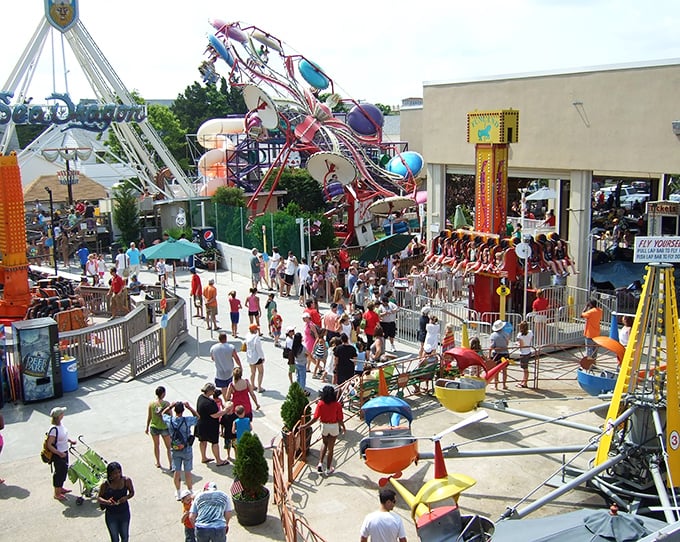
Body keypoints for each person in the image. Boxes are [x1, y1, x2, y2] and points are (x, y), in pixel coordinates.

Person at [303, 385, 345, 475]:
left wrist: (305, 426)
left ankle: (320, 463)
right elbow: (340, 419)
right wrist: (344, 427)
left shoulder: (320, 404)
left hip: (324, 426)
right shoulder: (337, 405)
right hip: (334, 426)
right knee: (331, 448)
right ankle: (328, 469)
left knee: (324, 443)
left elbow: (315, 418)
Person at [162, 401, 200, 500]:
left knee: (177, 471)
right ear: (183, 411)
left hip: (175, 449)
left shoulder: (170, 420)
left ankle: (178, 492)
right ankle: (190, 491)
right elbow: (198, 417)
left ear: (174, 410)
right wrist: (190, 407)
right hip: (186, 448)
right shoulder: (186, 420)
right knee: (188, 471)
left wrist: (170, 406)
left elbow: (162, 414)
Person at [98, 461, 134, 542]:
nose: (117, 475)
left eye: (119, 472)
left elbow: (132, 492)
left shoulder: (126, 480)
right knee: (114, 539)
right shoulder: (105, 485)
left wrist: (126, 497)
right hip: (111, 515)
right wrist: (107, 502)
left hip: (124, 513)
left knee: (125, 537)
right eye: (115, 473)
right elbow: (99, 497)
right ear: (110, 474)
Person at [46, 406, 76, 500]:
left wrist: (70, 440)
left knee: (63, 471)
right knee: (59, 473)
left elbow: (63, 436)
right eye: (62, 413)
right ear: (59, 416)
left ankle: (60, 488)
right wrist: (59, 453)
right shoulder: (53, 429)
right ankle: (57, 493)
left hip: (64, 452)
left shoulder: (60, 425)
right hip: (59, 455)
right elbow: (49, 445)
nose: (63, 414)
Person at [196, 382, 230, 466]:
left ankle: (203, 457)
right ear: (210, 391)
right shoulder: (209, 403)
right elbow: (215, 415)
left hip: (201, 423)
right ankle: (219, 460)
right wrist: (225, 411)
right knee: (214, 442)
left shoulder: (200, 398)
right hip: (210, 426)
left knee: (202, 441)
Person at [145, 385, 172, 469]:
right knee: (168, 447)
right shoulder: (167, 404)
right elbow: (170, 416)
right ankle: (171, 464)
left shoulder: (151, 404)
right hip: (164, 427)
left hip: (154, 427)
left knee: (156, 445)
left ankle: (158, 462)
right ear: (163, 394)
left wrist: (147, 427)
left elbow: (149, 416)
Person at [210, 332, 242, 399]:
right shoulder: (231, 347)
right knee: (232, 387)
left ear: (219, 339)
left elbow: (212, 358)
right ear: (226, 338)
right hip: (230, 371)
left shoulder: (213, 348)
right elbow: (236, 358)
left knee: (224, 389)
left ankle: (226, 402)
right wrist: (240, 366)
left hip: (220, 372)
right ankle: (233, 400)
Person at [244, 323, 266, 392]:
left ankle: (252, 386)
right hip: (256, 357)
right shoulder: (256, 338)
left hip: (249, 356)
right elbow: (258, 349)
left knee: (252, 372)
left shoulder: (247, 336)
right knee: (261, 372)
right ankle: (259, 387)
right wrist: (262, 357)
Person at [489, 319, 510, 390]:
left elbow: (492, 346)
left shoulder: (493, 335)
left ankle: (496, 386)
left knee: (496, 371)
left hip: (496, 354)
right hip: (505, 353)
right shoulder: (506, 334)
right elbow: (507, 344)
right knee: (504, 370)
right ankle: (504, 385)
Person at [516, 320, 534, 388]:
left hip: (523, 352)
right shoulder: (530, 332)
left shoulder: (520, 335)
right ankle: (523, 381)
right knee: (525, 369)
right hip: (528, 351)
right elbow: (529, 340)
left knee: (525, 369)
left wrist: (517, 344)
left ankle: (525, 383)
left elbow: (521, 345)